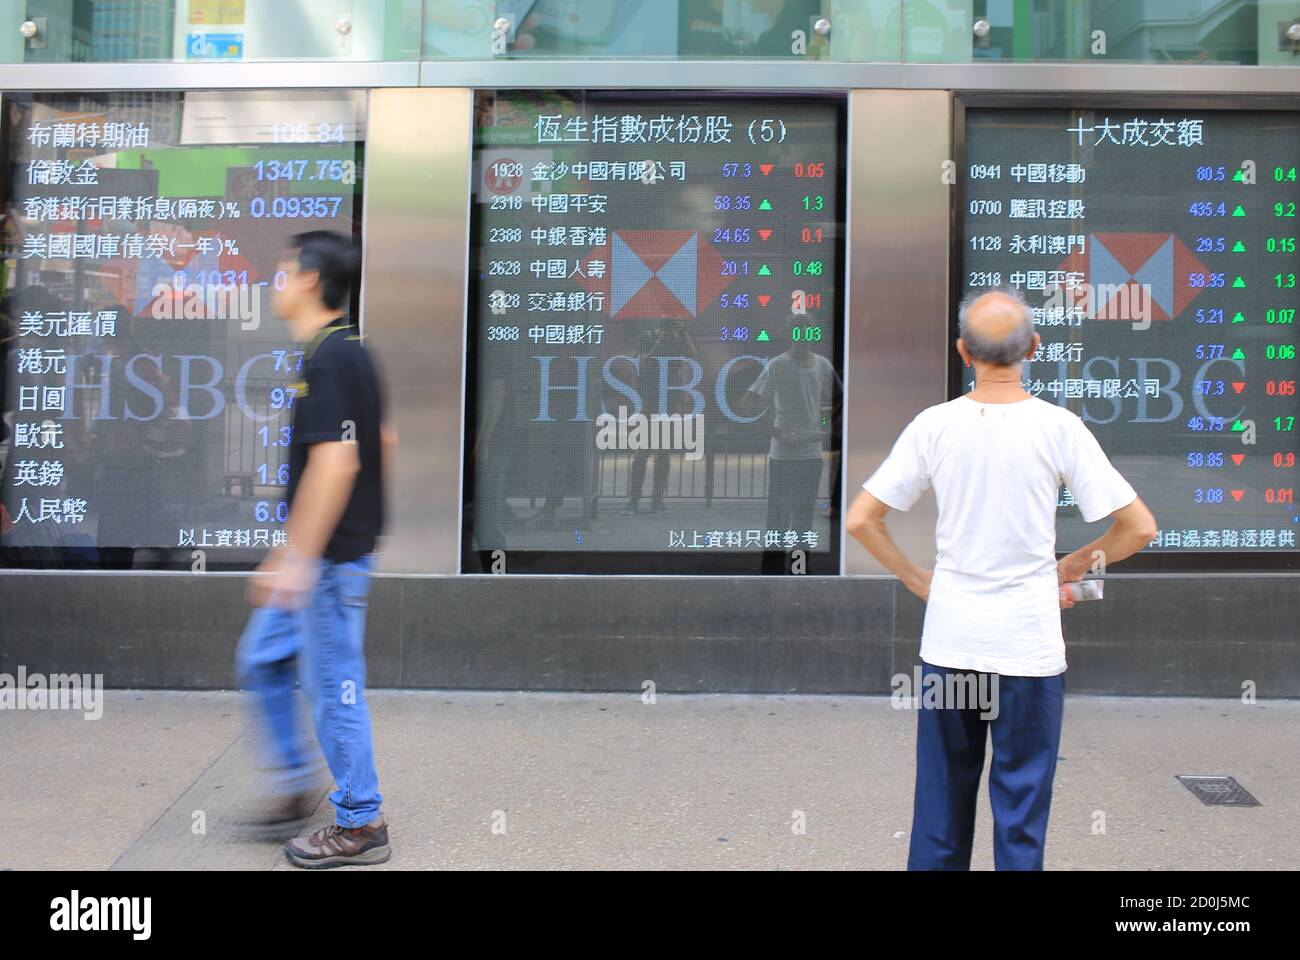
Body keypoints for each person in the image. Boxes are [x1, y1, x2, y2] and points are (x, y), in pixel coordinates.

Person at [846, 289, 1156, 871]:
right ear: (1034, 348)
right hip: (1029, 653)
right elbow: (1137, 528)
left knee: (940, 808)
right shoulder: (1060, 428)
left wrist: (916, 579)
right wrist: (1073, 566)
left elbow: (862, 519)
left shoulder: (933, 426)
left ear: (963, 351)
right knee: (1021, 814)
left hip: (951, 645)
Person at [235, 231, 397, 869]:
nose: (274, 280)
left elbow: (338, 462)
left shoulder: (331, 360)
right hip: (331, 554)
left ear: (307, 279)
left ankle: (361, 821)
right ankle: (297, 779)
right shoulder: (347, 352)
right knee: (263, 659)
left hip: (325, 563)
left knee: (334, 687)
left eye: (280, 270)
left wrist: (298, 557)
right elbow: (382, 442)